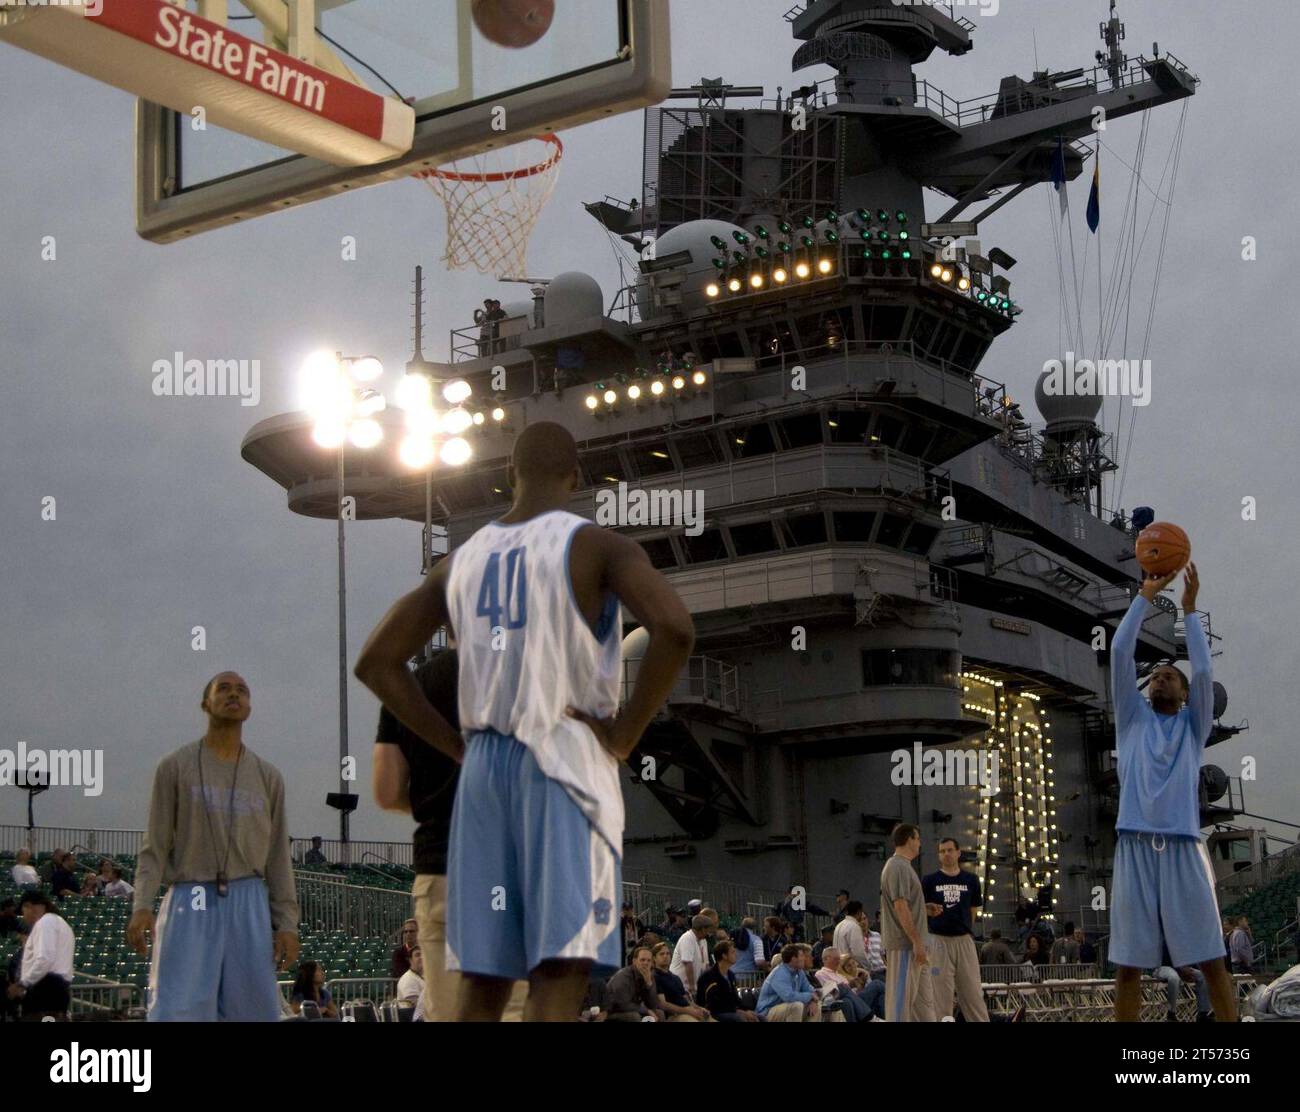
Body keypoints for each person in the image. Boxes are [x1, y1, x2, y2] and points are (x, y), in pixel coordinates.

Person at [354, 421, 695, 1022]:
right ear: (576, 477)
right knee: (558, 970)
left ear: (509, 474)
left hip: (484, 771)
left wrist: (453, 743)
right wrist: (624, 735)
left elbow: (376, 661)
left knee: (483, 980)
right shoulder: (597, 546)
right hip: (561, 760)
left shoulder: (460, 560)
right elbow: (675, 629)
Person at [126, 671, 300, 1022]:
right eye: (224, 688)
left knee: (254, 1011)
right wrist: (142, 903)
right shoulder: (175, 766)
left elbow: (279, 858)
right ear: (206, 703)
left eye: (242, 690)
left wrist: (287, 924)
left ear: (249, 707)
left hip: (248, 897)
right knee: (177, 1009)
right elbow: (155, 845)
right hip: (190, 896)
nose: (234, 694)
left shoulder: (268, 776)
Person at [1108, 563, 1237, 1022]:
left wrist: (1190, 610)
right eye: (1157, 675)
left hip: (1183, 849)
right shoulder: (1132, 720)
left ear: (1185, 695)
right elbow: (1121, 651)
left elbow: (1203, 671)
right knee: (1128, 968)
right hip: (1135, 847)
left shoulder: (1192, 727)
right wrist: (1144, 596)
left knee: (1212, 961)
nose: (1161, 678)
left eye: (1170, 676)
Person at [373, 645, 528, 1022]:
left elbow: (387, 790)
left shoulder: (408, 686)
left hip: (443, 867)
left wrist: (437, 805)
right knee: (514, 1012)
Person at [923, 837, 989, 1021]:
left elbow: (973, 909)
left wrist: (964, 927)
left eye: (950, 850)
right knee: (940, 996)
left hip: (964, 940)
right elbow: (921, 910)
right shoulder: (929, 881)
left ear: (958, 853)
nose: (946, 854)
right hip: (938, 941)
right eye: (942, 851)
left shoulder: (971, 879)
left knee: (973, 994)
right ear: (938, 855)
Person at [880, 823, 936, 1022]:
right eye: (918, 838)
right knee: (900, 1005)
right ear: (909, 839)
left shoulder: (903, 867)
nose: (920, 843)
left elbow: (905, 904)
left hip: (915, 947)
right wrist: (916, 941)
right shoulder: (897, 866)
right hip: (906, 946)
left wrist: (925, 908)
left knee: (924, 1008)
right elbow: (900, 906)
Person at [7, 892, 74, 1020]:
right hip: (58, 988)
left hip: (45, 989)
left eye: (23, 910)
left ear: (30, 907)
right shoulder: (61, 923)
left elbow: (45, 959)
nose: (23, 916)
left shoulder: (45, 922)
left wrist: (22, 983)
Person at [756, 943, 822, 1022]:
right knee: (796, 1006)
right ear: (793, 958)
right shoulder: (780, 973)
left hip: (785, 1007)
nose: (804, 958)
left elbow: (809, 989)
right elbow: (789, 997)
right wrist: (810, 996)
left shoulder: (799, 972)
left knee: (817, 1005)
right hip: (767, 1011)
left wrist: (813, 1001)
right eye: (801, 956)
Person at [697, 940, 758, 1022]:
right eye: (732, 952)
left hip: (731, 1011)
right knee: (739, 1019)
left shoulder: (731, 975)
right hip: (714, 1013)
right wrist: (738, 1011)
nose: (736, 954)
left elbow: (735, 999)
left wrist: (745, 1011)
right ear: (724, 956)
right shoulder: (708, 977)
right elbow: (713, 1004)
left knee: (760, 1017)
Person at [1153, 944, 1213, 1022]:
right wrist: (1180, 969)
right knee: (1174, 977)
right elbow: (1164, 956)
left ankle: (1203, 1013)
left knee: (1202, 976)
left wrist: (1193, 969)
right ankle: (1171, 1014)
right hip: (1162, 966)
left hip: (1181, 967)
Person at [649, 943, 708, 1021]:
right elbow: (663, 1004)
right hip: (674, 1015)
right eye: (661, 954)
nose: (665, 956)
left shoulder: (675, 977)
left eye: (667, 953)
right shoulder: (654, 977)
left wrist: (699, 1008)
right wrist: (688, 1011)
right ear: (654, 958)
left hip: (687, 1011)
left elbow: (686, 999)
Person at [604, 946, 662, 1021]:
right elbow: (623, 1004)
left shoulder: (649, 975)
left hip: (632, 1008)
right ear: (634, 961)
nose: (646, 963)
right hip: (611, 1012)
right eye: (642, 960)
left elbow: (653, 1005)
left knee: (659, 1013)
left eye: (649, 960)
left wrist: (649, 984)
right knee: (634, 1016)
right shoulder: (624, 976)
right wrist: (647, 1010)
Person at [670, 914, 712, 997]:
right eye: (708, 929)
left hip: (694, 986)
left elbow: (706, 965)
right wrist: (692, 988)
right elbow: (688, 964)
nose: (709, 932)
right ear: (703, 929)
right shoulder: (687, 938)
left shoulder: (703, 941)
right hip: (681, 987)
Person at [832, 899, 870, 967]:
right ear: (859, 912)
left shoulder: (839, 925)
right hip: (850, 968)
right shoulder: (854, 927)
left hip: (838, 966)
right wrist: (867, 965)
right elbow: (858, 953)